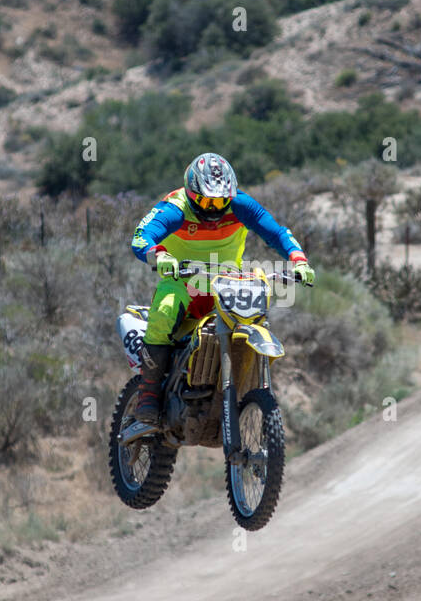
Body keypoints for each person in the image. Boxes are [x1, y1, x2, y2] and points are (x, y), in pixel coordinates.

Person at [128, 152, 315, 422]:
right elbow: (142, 234)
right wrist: (159, 256)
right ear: (192, 194)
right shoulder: (175, 207)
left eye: (221, 200)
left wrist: (298, 259)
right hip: (183, 280)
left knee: (257, 313)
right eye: (205, 200)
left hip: (227, 283)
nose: (214, 208)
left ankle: (251, 391)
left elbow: (276, 232)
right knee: (165, 310)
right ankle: (148, 393)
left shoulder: (240, 205)